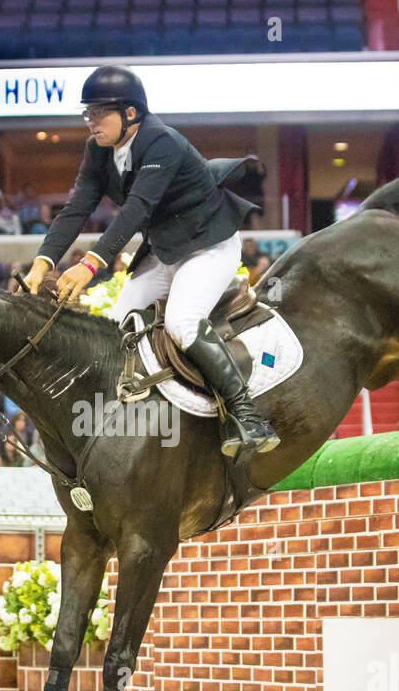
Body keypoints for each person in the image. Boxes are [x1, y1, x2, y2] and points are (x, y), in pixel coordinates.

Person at [21, 65, 274, 461]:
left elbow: (136, 210)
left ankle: (246, 415)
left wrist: (89, 265)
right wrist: (42, 261)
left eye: (99, 112)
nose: (91, 122)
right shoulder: (98, 150)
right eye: (87, 113)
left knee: (182, 321)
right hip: (165, 249)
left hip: (210, 245)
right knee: (115, 328)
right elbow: (77, 207)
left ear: (131, 114)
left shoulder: (163, 143)